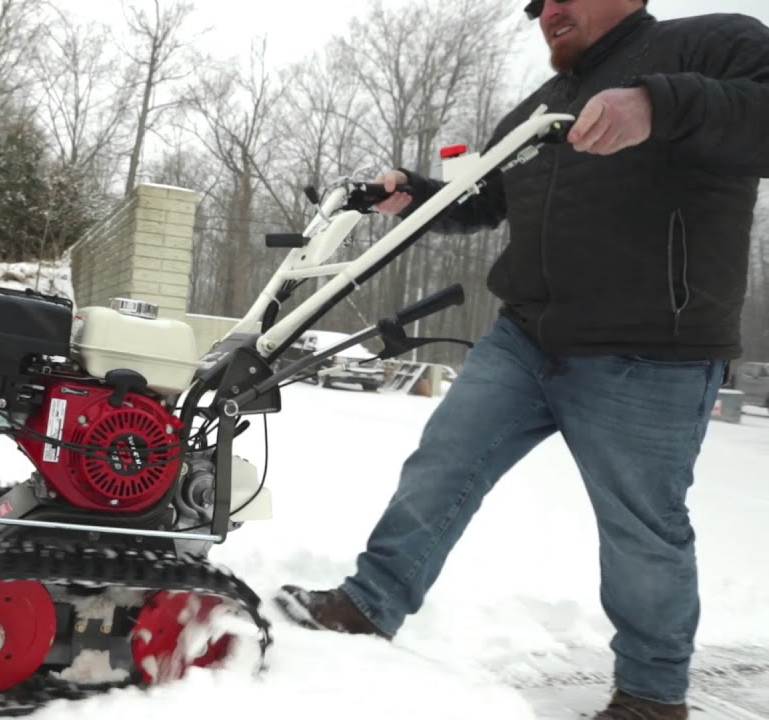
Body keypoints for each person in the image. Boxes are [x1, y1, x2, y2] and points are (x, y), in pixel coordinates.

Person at [273, 1, 769, 718]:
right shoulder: (541, 106)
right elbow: (485, 198)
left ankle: (652, 697)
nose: (549, 12)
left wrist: (657, 105)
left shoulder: (711, 43)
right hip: (527, 338)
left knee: (642, 531)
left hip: (652, 350)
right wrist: (417, 193)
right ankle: (368, 604)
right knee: (441, 465)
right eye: (539, 5)